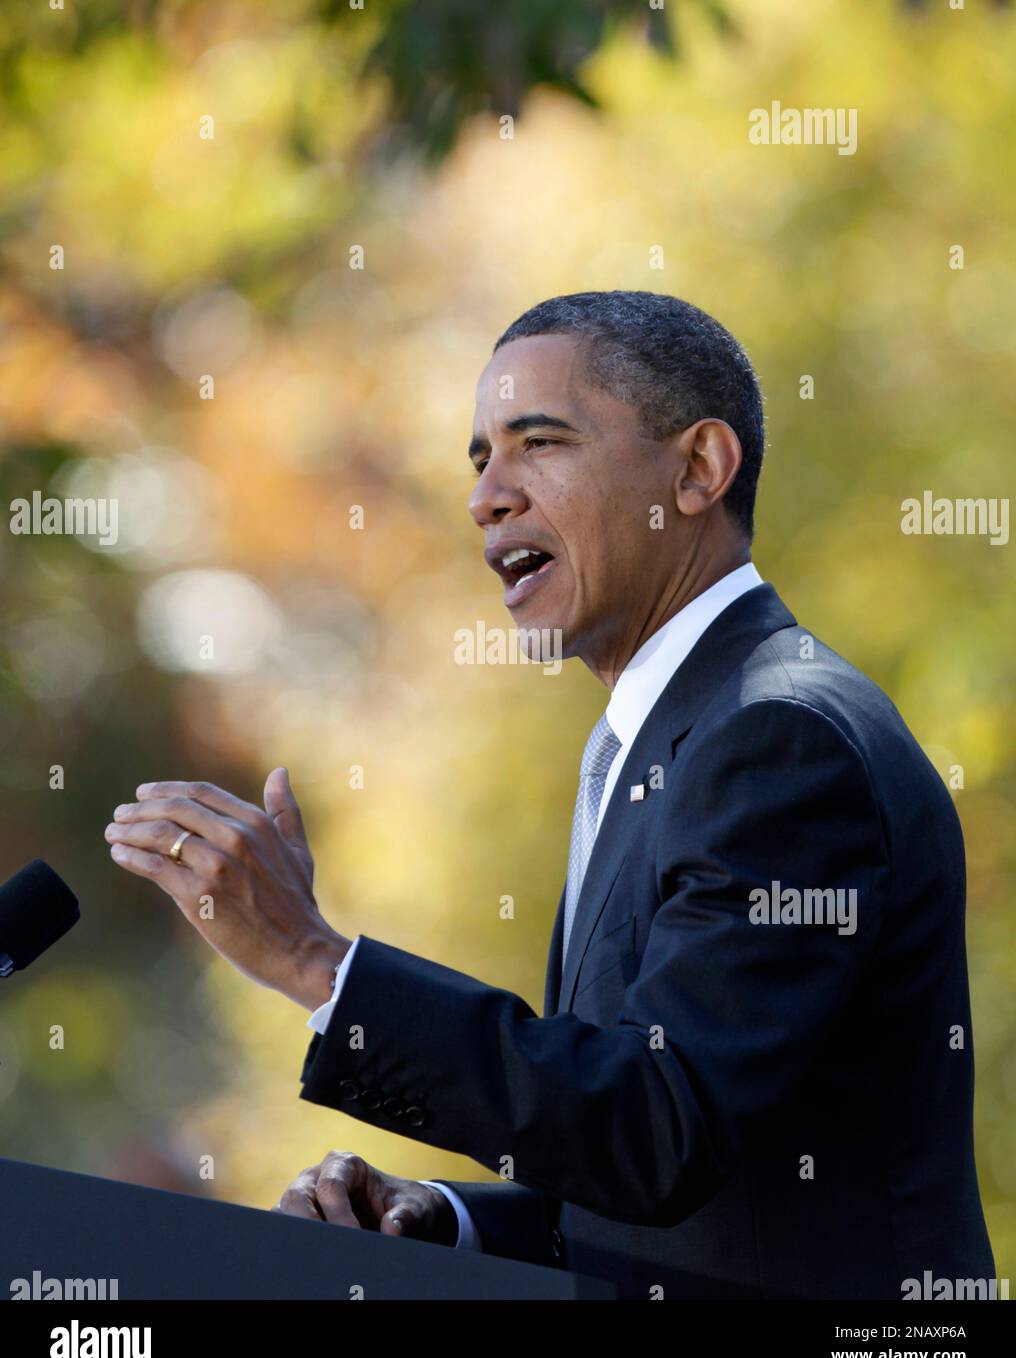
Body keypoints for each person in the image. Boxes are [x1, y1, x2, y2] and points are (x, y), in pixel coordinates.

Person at [106, 291, 994, 1299]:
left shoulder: (778, 737)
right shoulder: (652, 742)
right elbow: (659, 1177)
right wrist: (440, 1220)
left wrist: (315, 959)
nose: (488, 495)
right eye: (478, 458)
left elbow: (659, 1127)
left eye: (539, 442)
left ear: (695, 470)